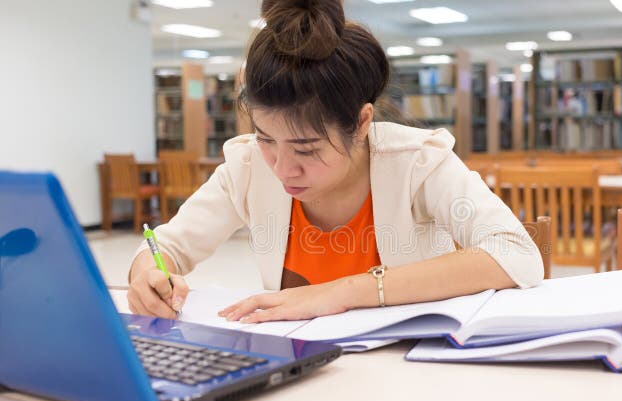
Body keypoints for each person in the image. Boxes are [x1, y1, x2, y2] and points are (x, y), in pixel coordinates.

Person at [127, 0, 544, 323]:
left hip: (409, 376)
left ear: (362, 123)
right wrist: (147, 274)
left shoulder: (418, 163)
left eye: (307, 148)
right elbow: (165, 247)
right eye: (267, 138)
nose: (283, 167)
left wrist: (342, 292)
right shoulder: (250, 166)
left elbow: (516, 253)